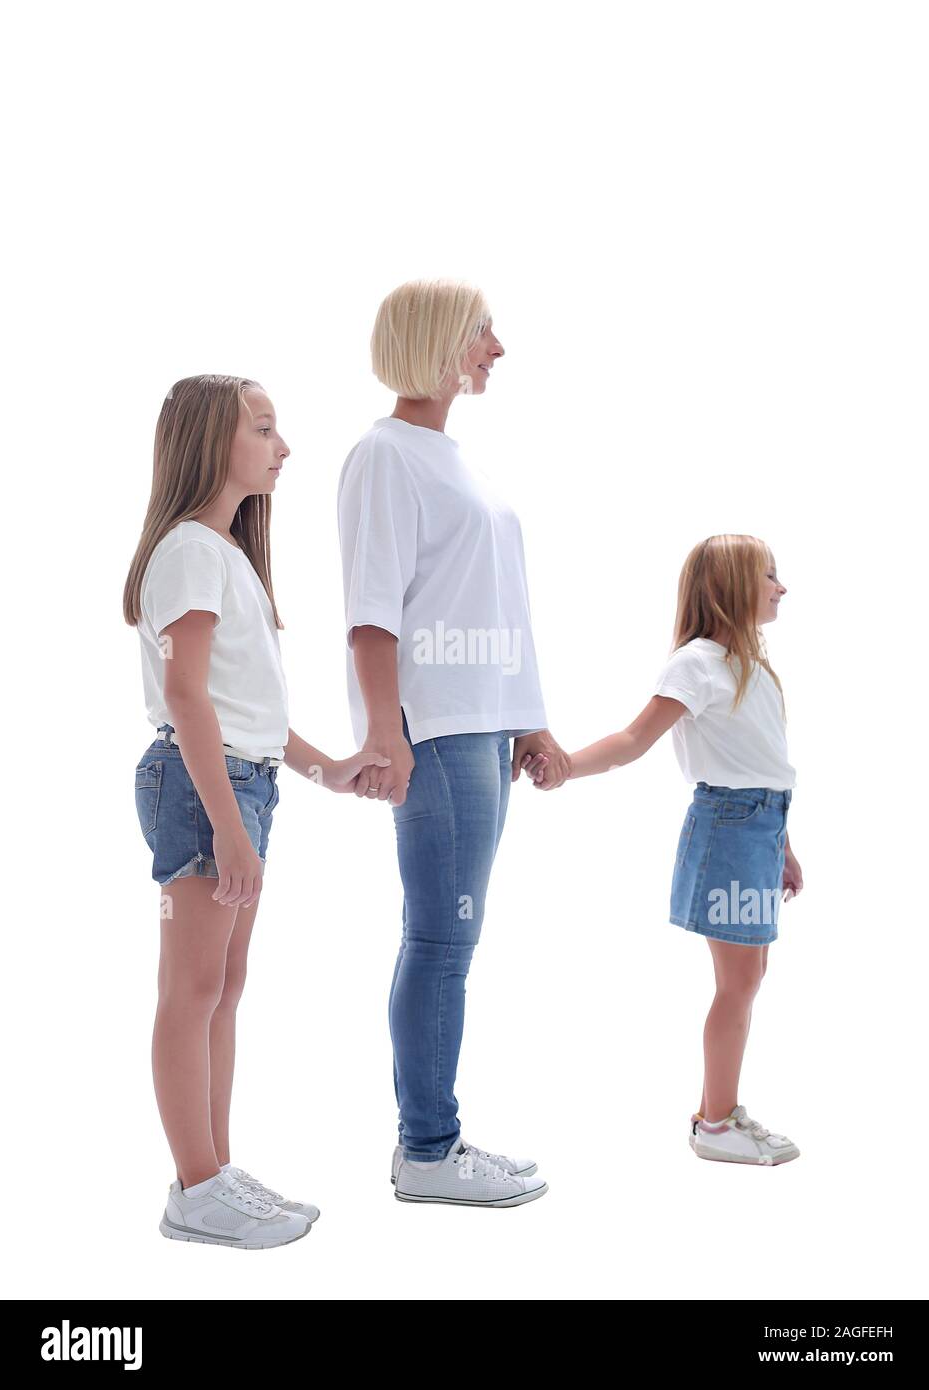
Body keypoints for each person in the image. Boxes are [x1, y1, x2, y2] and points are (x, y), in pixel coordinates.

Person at [124, 374, 389, 1246]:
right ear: (211, 442)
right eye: (264, 429)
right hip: (205, 787)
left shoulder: (224, 554)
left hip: (239, 780)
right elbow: (187, 699)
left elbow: (251, 713)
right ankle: (194, 1189)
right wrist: (231, 832)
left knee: (222, 988)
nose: (283, 446)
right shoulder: (192, 550)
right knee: (193, 988)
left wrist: (330, 769)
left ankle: (214, 1175)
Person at [337, 279, 568, 1206]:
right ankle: (428, 1150)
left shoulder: (453, 459)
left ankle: (437, 1139)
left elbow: (501, 607)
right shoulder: (383, 456)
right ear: (436, 339)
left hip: (485, 728)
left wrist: (533, 718)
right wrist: (384, 732)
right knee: (440, 937)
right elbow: (370, 616)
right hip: (435, 734)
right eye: (483, 332)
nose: (497, 349)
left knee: (452, 939)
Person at [523, 534, 804, 1166]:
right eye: (769, 576)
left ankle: (719, 1113)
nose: (781, 588)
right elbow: (633, 738)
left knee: (751, 976)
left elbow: (764, 765)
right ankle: (716, 1122)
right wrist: (566, 766)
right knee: (738, 981)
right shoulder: (697, 664)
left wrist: (783, 844)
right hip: (729, 830)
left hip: (759, 828)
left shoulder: (755, 669)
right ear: (730, 585)